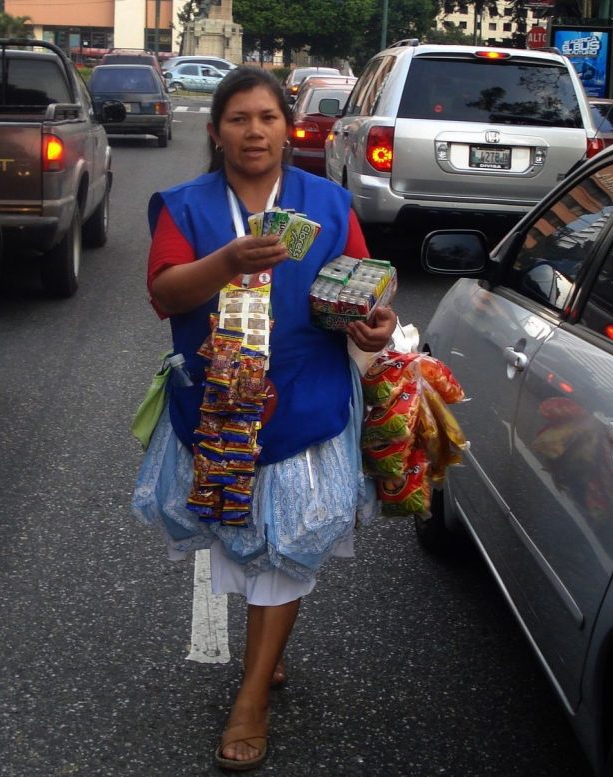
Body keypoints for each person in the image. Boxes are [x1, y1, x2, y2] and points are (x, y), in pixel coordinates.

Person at [131, 67, 396, 771]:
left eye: (269, 118)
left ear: (289, 127)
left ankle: (251, 695)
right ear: (216, 131)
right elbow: (163, 292)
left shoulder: (329, 203)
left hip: (306, 399)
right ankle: (267, 651)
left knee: (290, 542)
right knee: (241, 538)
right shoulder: (183, 205)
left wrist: (374, 327)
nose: (255, 131)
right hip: (217, 405)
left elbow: (363, 292)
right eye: (240, 119)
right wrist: (225, 261)